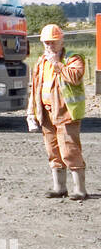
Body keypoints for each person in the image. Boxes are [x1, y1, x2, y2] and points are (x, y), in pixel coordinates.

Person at [26, 23, 87, 200]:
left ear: (61, 41)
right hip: (46, 113)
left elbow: (75, 77)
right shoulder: (41, 62)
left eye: (53, 42)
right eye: (46, 43)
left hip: (66, 114)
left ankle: (80, 190)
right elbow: (36, 87)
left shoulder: (72, 59)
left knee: (70, 150)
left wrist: (57, 64)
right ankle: (59, 188)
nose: (49, 46)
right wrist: (31, 111)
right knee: (52, 151)